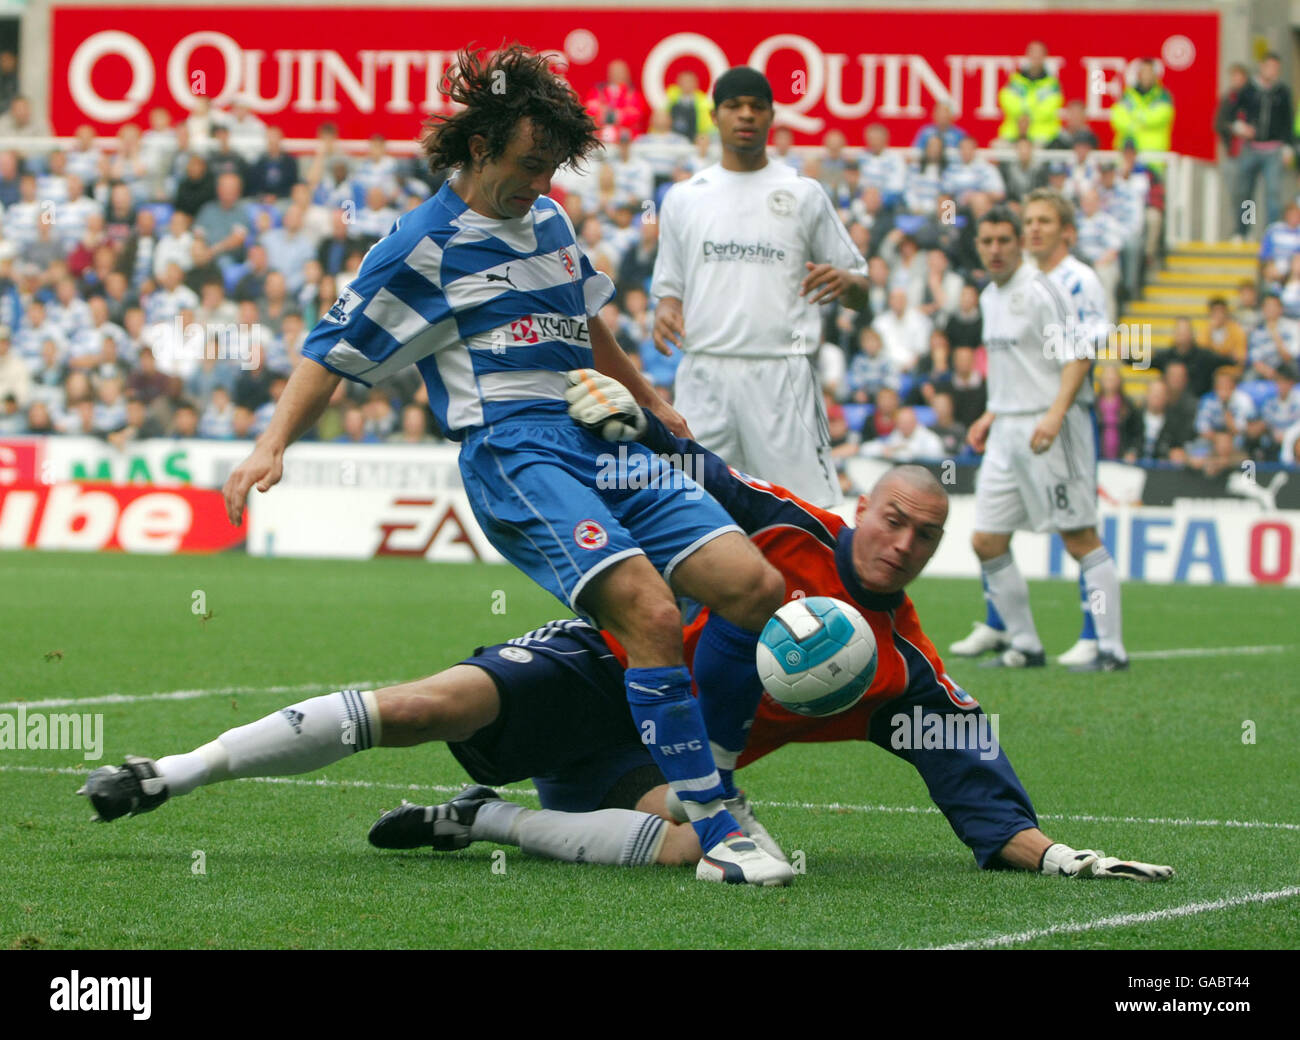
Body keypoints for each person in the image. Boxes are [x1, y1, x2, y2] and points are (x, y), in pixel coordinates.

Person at [82, 404, 1174, 884]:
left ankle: (484, 819)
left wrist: (1050, 850)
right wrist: (624, 424)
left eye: (926, 534)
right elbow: (698, 469)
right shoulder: (792, 525)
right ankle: (171, 771)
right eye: (891, 515)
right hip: (606, 659)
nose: (902, 539)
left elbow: (969, 772)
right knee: (421, 708)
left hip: (667, 766)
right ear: (864, 509)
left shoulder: (903, 668)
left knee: (702, 847)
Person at [219, 46, 789, 887]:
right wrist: (273, 443)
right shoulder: (423, 244)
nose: (540, 181)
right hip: (518, 453)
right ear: (479, 147)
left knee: (754, 587)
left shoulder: (551, 221)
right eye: (528, 164)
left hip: (608, 440)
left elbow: (587, 319)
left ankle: (711, 779)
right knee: (651, 614)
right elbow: (333, 351)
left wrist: (650, 399)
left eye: (552, 166)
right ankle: (715, 826)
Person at [651, 66, 869, 508]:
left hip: (783, 374)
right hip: (706, 375)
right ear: (715, 116)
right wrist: (666, 311)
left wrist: (847, 282)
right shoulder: (684, 197)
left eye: (756, 106)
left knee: (807, 514)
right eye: (734, 106)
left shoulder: (804, 193)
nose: (746, 115)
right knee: (695, 508)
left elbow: (860, 289)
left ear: (772, 115)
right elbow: (670, 289)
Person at [960, 193, 1128, 672]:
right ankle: (1025, 644)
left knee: (1079, 537)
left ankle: (1110, 648)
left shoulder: (1049, 289)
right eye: (987, 241)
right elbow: (1012, 363)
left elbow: (1079, 354)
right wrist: (991, 413)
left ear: (1018, 246)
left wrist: (1055, 413)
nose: (996, 249)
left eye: (1005, 240)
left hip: (1051, 425)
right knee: (986, 540)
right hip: (1007, 430)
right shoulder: (991, 296)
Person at [1234, 54, 1296, 238]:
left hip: (1273, 149)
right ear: (1262, 67)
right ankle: (1245, 230)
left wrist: (1288, 146)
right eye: (1269, 67)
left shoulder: (1282, 92)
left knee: (1273, 192)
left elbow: (1287, 121)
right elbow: (1234, 112)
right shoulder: (1249, 90)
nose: (1272, 72)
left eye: (1276, 68)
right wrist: (1240, 126)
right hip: (1251, 147)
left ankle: (1271, 231)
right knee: (1246, 191)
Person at [1109, 59, 1174, 174]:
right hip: (1127, 159)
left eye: (1150, 71)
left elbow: (1160, 116)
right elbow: (1117, 118)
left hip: (1152, 161)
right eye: (1143, 71)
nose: (1146, 75)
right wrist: (1141, 120)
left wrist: (1135, 117)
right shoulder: (1128, 95)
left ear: (1155, 75)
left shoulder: (1163, 96)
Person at [996, 42, 1063, 146]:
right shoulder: (1016, 79)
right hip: (1013, 133)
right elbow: (1006, 99)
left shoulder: (1051, 83)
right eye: (1033, 52)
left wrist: (1028, 117)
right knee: (998, 146)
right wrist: (1022, 115)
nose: (1036, 56)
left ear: (1045, 56)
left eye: (1039, 53)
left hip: (1042, 136)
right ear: (1027, 55)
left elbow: (1050, 106)